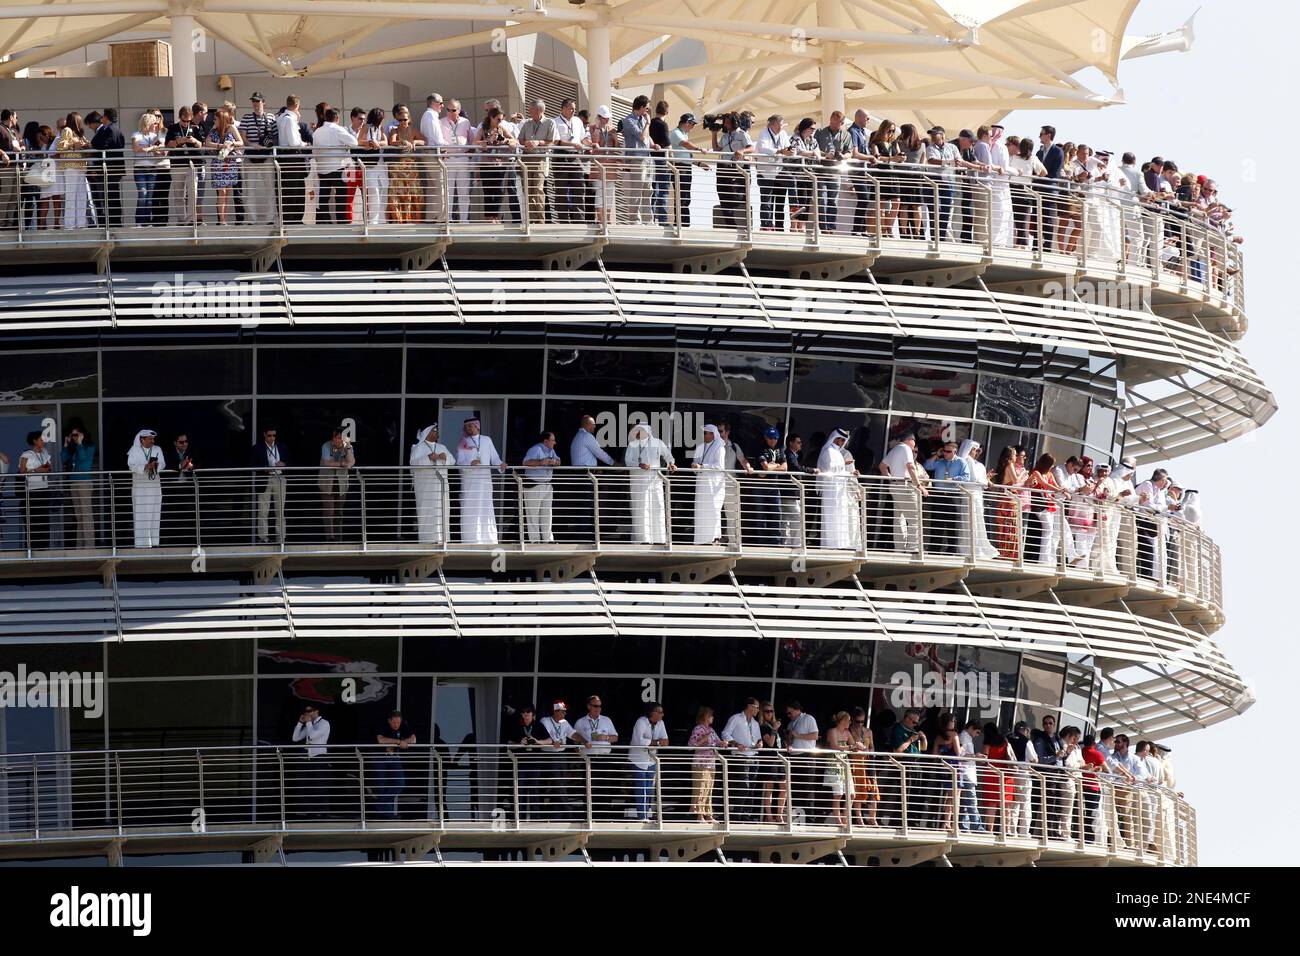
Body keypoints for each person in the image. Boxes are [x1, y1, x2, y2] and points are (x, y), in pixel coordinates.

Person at [454, 416, 505, 545]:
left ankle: (489, 539)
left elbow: (495, 458)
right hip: (470, 482)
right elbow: (459, 463)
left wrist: (501, 465)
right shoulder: (462, 442)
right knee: (470, 509)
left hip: (485, 482)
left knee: (486, 507)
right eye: (466, 427)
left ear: (477, 426)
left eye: (470, 426)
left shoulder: (486, 440)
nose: (468, 429)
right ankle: (471, 539)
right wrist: (469, 464)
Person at [624, 422, 676, 544]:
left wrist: (671, 463)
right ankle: (643, 539)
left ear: (647, 431)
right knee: (641, 508)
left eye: (640, 430)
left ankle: (659, 539)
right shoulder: (632, 444)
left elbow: (668, 455)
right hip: (639, 482)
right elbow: (628, 461)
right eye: (636, 431)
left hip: (654, 481)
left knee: (657, 507)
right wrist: (639, 465)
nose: (637, 433)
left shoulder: (657, 442)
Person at [571, 695, 619, 820]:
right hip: (588, 759)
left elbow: (616, 737)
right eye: (595, 706)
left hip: (603, 758)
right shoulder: (581, 722)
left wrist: (606, 738)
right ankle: (589, 816)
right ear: (589, 706)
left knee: (604, 787)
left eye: (600, 706)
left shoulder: (606, 720)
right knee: (588, 787)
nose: (598, 709)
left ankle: (604, 816)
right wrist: (580, 754)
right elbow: (574, 742)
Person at [569, 414, 614, 543]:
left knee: (584, 504)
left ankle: (582, 533)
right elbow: (599, 453)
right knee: (586, 505)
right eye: (593, 424)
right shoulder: (586, 436)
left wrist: (595, 468)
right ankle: (583, 535)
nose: (595, 426)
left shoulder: (578, 437)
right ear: (587, 424)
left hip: (582, 474)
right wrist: (613, 463)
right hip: (585, 475)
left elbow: (587, 456)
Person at [310, 107, 358, 225]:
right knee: (341, 198)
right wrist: (344, 148)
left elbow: (314, 151)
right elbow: (354, 142)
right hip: (337, 168)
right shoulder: (338, 129)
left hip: (321, 168)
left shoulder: (317, 131)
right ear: (337, 117)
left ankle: (324, 224)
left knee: (323, 198)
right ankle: (341, 223)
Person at [923, 440, 971, 555]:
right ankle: (934, 549)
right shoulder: (940, 461)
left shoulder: (961, 462)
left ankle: (951, 550)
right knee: (936, 523)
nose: (945, 453)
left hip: (952, 495)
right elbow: (927, 465)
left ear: (955, 452)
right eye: (944, 451)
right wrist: (937, 454)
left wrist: (954, 480)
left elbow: (967, 476)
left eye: (948, 451)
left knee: (952, 523)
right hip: (939, 495)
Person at [816, 427, 860, 549]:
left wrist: (851, 473)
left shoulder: (837, 452)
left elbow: (840, 470)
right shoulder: (828, 451)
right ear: (837, 439)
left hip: (839, 489)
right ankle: (830, 545)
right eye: (842, 441)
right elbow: (831, 470)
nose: (843, 443)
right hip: (831, 489)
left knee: (840, 516)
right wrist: (844, 467)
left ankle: (838, 544)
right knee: (832, 516)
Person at [881, 432, 924, 552]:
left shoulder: (895, 450)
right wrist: (919, 485)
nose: (914, 446)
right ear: (910, 440)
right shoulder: (906, 449)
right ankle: (913, 548)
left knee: (898, 519)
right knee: (915, 518)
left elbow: (882, 466)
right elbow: (910, 467)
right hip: (905, 487)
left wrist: (891, 479)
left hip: (895, 486)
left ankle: (899, 548)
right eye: (914, 442)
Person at [721, 698, 762, 822]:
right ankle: (736, 814)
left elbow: (759, 739)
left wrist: (760, 744)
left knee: (751, 787)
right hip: (740, 756)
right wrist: (736, 743)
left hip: (753, 756)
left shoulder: (755, 723)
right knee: (744, 785)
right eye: (756, 707)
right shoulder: (736, 718)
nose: (758, 710)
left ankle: (746, 815)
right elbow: (725, 733)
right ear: (749, 706)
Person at [409, 424, 451, 545]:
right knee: (427, 512)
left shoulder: (442, 446)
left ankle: (443, 539)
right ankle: (428, 540)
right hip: (426, 488)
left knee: (443, 510)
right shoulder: (418, 448)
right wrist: (428, 458)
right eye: (434, 430)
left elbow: (452, 461)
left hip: (441, 486)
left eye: (437, 430)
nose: (437, 432)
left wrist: (445, 458)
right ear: (427, 433)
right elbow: (413, 463)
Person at [958, 439, 999, 559]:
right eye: (975, 450)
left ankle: (978, 548)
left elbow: (979, 479)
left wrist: (985, 478)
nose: (977, 452)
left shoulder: (976, 464)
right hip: (970, 495)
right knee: (970, 521)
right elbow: (974, 479)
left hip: (977, 495)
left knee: (977, 522)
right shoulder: (966, 461)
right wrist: (986, 481)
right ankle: (970, 549)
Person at [518, 99, 558, 222]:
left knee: (538, 190)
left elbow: (551, 142)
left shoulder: (550, 123)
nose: (529, 112)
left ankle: (540, 220)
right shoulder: (527, 123)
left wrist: (538, 142)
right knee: (527, 190)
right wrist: (527, 142)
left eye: (531, 110)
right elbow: (520, 139)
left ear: (539, 110)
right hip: (526, 158)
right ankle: (531, 220)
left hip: (540, 158)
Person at [627, 702, 668, 821]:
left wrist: (652, 742)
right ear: (652, 713)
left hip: (651, 760)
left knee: (649, 789)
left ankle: (646, 814)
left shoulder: (661, 723)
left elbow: (666, 742)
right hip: (638, 760)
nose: (662, 715)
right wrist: (657, 742)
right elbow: (639, 741)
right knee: (641, 788)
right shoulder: (641, 722)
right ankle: (642, 816)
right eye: (660, 712)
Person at [506, 705, 548, 821]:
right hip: (521, 763)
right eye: (523, 712)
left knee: (534, 789)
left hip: (535, 763)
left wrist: (537, 741)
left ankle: (535, 818)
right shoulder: (516, 726)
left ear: (533, 715)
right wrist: (520, 743)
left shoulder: (539, 726)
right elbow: (509, 744)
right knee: (521, 790)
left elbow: (550, 740)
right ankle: (521, 817)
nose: (525, 714)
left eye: (528, 712)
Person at [290, 703, 331, 818]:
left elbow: (313, 736)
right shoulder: (310, 724)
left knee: (319, 785)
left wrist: (308, 723)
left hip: (319, 757)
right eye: (306, 711)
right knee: (305, 784)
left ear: (316, 711)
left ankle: (322, 811)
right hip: (306, 758)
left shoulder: (324, 723)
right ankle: (306, 810)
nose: (307, 713)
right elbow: (295, 738)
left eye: (310, 711)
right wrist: (300, 723)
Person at [755, 425, 794, 546]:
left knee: (776, 513)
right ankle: (761, 542)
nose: (773, 440)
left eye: (775, 438)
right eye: (771, 438)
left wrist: (773, 466)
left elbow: (785, 467)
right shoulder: (761, 448)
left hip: (774, 486)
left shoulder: (780, 448)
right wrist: (776, 466)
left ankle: (775, 542)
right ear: (766, 438)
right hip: (760, 486)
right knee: (761, 515)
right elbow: (765, 467)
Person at [373, 710, 415, 820]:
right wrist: (397, 742)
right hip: (379, 757)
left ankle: (380, 805)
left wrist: (404, 742)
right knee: (382, 786)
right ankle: (387, 815)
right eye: (394, 723)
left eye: (398, 723)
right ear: (389, 721)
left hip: (393, 756)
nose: (396, 725)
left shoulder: (403, 724)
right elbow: (380, 740)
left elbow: (413, 739)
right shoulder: (382, 724)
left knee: (399, 783)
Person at [538, 700, 577, 819]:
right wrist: (554, 741)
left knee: (562, 784)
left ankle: (555, 814)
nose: (565, 714)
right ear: (555, 711)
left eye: (565, 711)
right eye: (562, 711)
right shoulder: (545, 721)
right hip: (549, 756)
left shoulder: (564, 722)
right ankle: (569, 811)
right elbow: (548, 736)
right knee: (557, 784)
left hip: (562, 755)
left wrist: (584, 741)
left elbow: (572, 734)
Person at [126, 429, 164, 548]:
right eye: (150, 439)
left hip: (154, 488)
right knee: (141, 515)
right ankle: (141, 544)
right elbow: (131, 465)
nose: (152, 441)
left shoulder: (157, 449)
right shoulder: (134, 450)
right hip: (140, 489)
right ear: (142, 439)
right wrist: (146, 466)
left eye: (153, 439)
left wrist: (156, 466)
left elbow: (163, 464)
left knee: (154, 514)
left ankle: (154, 543)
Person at [521, 431, 561, 544]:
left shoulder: (551, 450)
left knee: (547, 513)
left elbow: (559, 461)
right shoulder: (536, 449)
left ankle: (548, 540)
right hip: (534, 485)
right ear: (546, 441)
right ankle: (535, 541)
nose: (555, 442)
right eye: (553, 440)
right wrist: (541, 462)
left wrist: (555, 462)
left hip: (547, 484)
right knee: (533, 515)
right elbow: (525, 462)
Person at [250, 426, 288, 544]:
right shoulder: (257, 448)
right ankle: (263, 537)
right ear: (264, 435)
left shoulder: (281, 446)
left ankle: (280, 537)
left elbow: (290, 461)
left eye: (274, 435)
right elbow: (252, 464)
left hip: (279, 478)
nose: (272, 438)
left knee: (280, 510)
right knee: (263, 510)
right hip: (264, 479)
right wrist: (265, 469)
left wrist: (284, 464)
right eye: (269, 435)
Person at [61, 424, 96, 548]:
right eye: (72, 435)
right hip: (74, 482)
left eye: (76, 435)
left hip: (84, 482)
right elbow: (63, 459)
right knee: (78, 515)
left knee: (86, 514)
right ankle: (80, 545)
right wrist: (66, 444)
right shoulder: (73, 447)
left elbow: (83, 458)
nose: (74, 437)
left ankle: (90, 545)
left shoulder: (89, 446)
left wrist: (80, 443)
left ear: (82, 435)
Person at [691, 424, 727, 545]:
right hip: (702, 484)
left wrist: (702, 466)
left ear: (712, 434)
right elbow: (696, 462)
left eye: (706, 433)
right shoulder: (701, 446)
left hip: (714, 485)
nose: (704, 435)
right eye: (704, 433)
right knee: (701, 510)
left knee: (713, 510)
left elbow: (719, 467)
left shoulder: (719, 446)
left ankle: (714, 538)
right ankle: (701, 539)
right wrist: (695, 466)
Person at [667, 113, 705, 227]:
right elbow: (685, 144)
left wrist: (698, 163)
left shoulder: (683, 134)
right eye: (692, 124)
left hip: (685, 166)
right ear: (687, 123)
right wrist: (699, 149)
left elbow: (686, 154)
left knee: (686, 196)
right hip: (680, 167)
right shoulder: (676, 133)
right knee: (682, 196)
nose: (692, 127)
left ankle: (684, 223)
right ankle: (680, 223)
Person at [688, 707, 724, 823]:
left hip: (711, 763)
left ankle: (708, 814)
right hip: (700, 763)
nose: (712, 718)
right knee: (700, 788)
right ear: (705, 716)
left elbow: (718, 742)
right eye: (711, 716)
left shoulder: (712, 730)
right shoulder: (698, 729)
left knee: (709, 789)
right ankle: (699, 815)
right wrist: (703, 740)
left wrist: (724, 743)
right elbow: (691, 745)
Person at [318, 427, 354, 541]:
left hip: (341, 484)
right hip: (327, 483)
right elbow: (326, 462)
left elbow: (351, 462)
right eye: (337, 437)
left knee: (338, 511)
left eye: (341, 438)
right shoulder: (326, 446)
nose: (338, 440)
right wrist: (342, 464)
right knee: (329, 511)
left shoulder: (348, 447)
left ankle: (338, 536)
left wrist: (348, 447)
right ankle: (330, 537)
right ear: (333, 438)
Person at [785, 699, 819, 819]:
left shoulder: (808, 718)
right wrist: (789, 741)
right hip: (794, 756)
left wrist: (798, 735)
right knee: (795, 787)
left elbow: (815, 735)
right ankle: (797, 815)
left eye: (790, 713)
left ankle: (810, 817)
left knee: (807, 786)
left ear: (797, 710)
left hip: (806, 756)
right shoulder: (791, 723)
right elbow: (789, 739)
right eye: (787, 714)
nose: (789, 716)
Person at [19, 431, 53, 549]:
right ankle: (32, 549)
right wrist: (35, 471)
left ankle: (44, 548)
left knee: (44, 520)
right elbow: (22, 472)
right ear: (35, 441)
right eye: (41, 439)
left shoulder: (45, 453)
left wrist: (46, 469)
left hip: (44, 489)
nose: (43, 442)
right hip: (32, 491)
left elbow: (49, 468)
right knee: (33, 520)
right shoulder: (26, 454)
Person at [1005, 720, 1038, 838]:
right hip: (1024, 773)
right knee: (1025, 803)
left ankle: (1012, 830)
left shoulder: (1008, 739)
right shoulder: (1026, 741)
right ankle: (1024, 832)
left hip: (1011, 773)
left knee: (1014, 803)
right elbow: (1034, 759)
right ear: (1025, 730)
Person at [758, 701, 787, 825]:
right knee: (769, 788)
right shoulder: (762, 726)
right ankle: (769, 816)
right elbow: (770, 743)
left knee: (783, 787)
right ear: (762, 713)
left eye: (771, 711)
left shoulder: (774, 725)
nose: (769, 713)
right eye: (767, 711)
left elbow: (781, 742)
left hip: (780, 758)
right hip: (769, 759)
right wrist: (774, 730)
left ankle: (779, 815)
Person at [824, 712, 855, 827]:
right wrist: (852, 747)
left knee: (851, 794)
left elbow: (853, 744)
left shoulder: (847, 732)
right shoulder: (832, 731)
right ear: (842, 721)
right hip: (834, 763)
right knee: (838, 794)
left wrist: (858, 746)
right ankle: (838, 820)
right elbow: (834, 747)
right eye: (848, 720)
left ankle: (845, 818)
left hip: (845, 764)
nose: (850, 723)